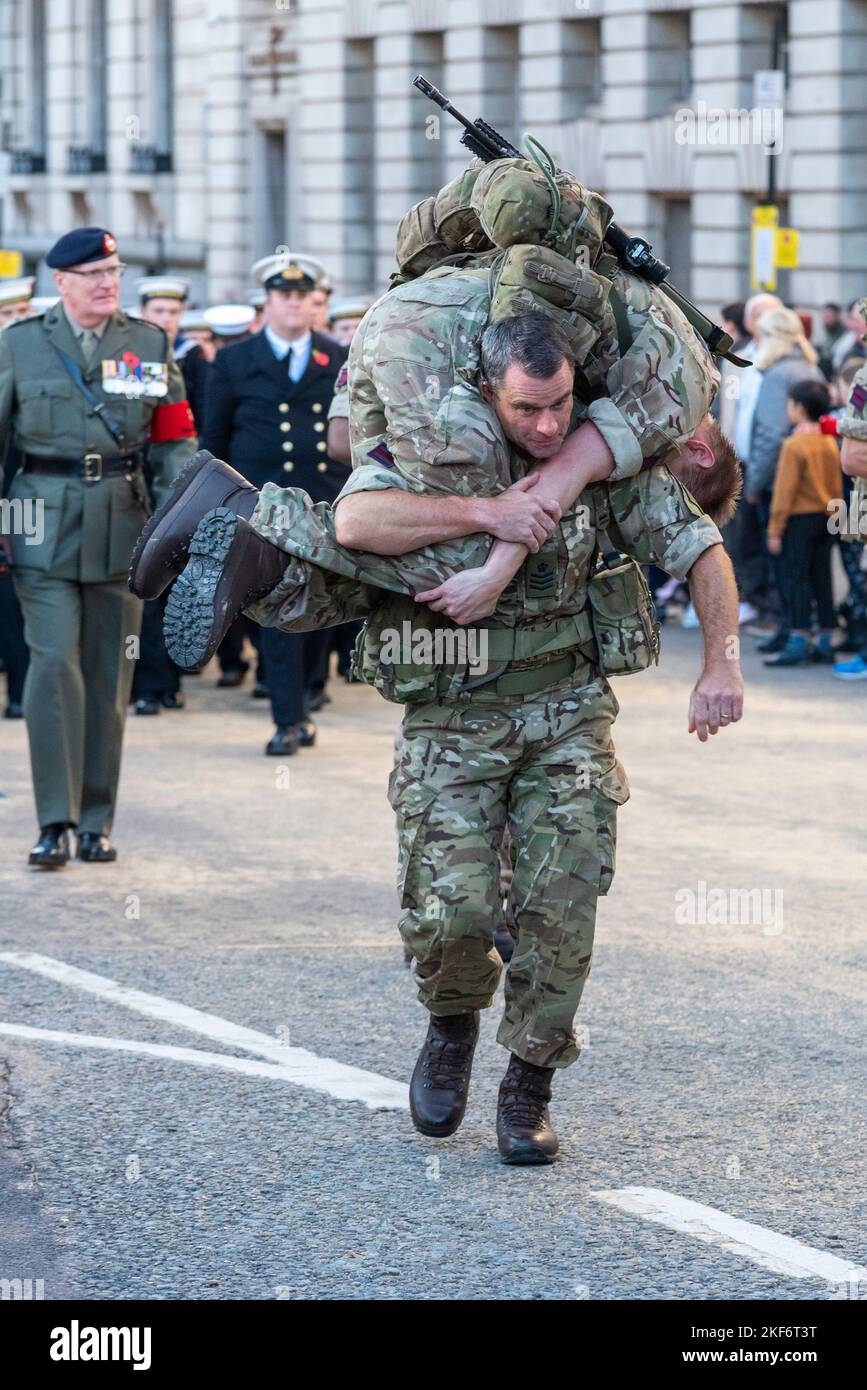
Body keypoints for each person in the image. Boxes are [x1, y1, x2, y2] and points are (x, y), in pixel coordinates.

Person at [132, 302, 743, 1167]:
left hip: (564, 709)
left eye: (559, 405)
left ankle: (528, 1085)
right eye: (525, 409)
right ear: (487, 393)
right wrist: (486, 515)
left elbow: (702, 548)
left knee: (559, 910)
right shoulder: (429, 449)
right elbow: (360, 520)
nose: (545, 425)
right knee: (450, 913)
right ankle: (450, 1029)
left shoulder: (606, 470)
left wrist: (721, 663)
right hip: (449, 714)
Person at [0, 226, 197, 867]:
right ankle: (52, 820)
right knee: (54, 665)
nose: (108, 283)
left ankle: (94, 820)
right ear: (62, 283)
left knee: (110, 675)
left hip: (122, 523)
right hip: (39, 521)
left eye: (113, 272)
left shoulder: (147, 342)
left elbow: (173, 441)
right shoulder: (20, 345)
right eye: (94, 275)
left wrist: (184, 521)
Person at [195, 252, 348, 753]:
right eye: (285, 296)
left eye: (303, 296)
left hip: (323, 505)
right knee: (280, 611)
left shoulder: (337, 357)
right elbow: (215, 438)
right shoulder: (237, 361)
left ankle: (305, 696)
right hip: (261, 509)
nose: (294, 305)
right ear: (267, 302)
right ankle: (287, 719)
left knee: (322, 609)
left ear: (314, 304)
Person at [741, 307, 825, 650]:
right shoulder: (810, 367)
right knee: (806, 567)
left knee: (784, 563)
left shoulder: (777, 374)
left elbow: (770, 435)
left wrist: (755, 484)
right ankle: (799, 630)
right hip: (811, 485)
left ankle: (792, 631)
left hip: (782, 481)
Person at [131, 276, 193, 715]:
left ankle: (169, 680)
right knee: (143, 593)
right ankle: (148, 684)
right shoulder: (133, 359)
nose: (166, 320)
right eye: (158, 312)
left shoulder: (194, 360)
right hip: (136, 489)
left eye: (173, 312)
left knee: (176, 589)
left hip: (179, 488)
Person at [763, 379, 842, 667]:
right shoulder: (829, 442)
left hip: (798, 520)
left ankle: (797, 638)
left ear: (799, 407)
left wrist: (774, 529)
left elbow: (784, 492)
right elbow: (837, 486)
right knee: (822, 578)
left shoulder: (794, 445)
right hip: (827, 519)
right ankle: (825, 639)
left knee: (796, 578)